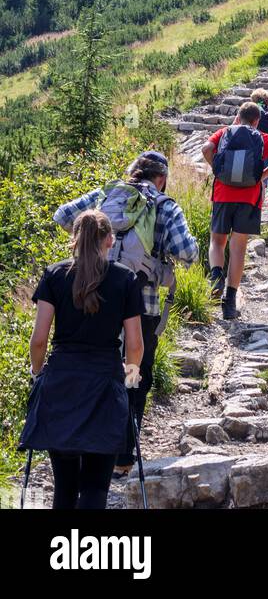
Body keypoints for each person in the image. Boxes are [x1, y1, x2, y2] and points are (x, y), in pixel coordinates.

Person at [52, 150, 198, 478]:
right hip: (141, 304)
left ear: (132, 172)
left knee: (95, 371)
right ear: (161, 179)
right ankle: (122, 456)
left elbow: (63, 216)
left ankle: (85, 444)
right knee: (134, 374)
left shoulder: (106, 194)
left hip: (93, 300)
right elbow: (188, 252)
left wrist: (93, 254)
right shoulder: (164, 205)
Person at [20, 208, 144, 510]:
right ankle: (90, 554)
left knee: (64, 487)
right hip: (104, 383)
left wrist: (39, 374)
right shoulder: (125, 278)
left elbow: (39, 341)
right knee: (95, 486)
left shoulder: (54, 275)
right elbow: (136, 344)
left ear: (74, 238)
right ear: (109, 240)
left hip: (61, 384)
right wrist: (129, 379)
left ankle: (62, 554)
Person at [203, 102, 268, 319]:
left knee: (217, 241)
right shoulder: (261, 136)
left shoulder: (224, 132)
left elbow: (206, 149)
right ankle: (230, 301)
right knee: (238, 247)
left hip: (223, 194)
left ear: (237, 117)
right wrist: (263, 175)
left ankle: (215, 276)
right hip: (250, 197)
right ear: (257, 120)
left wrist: (218, 169)